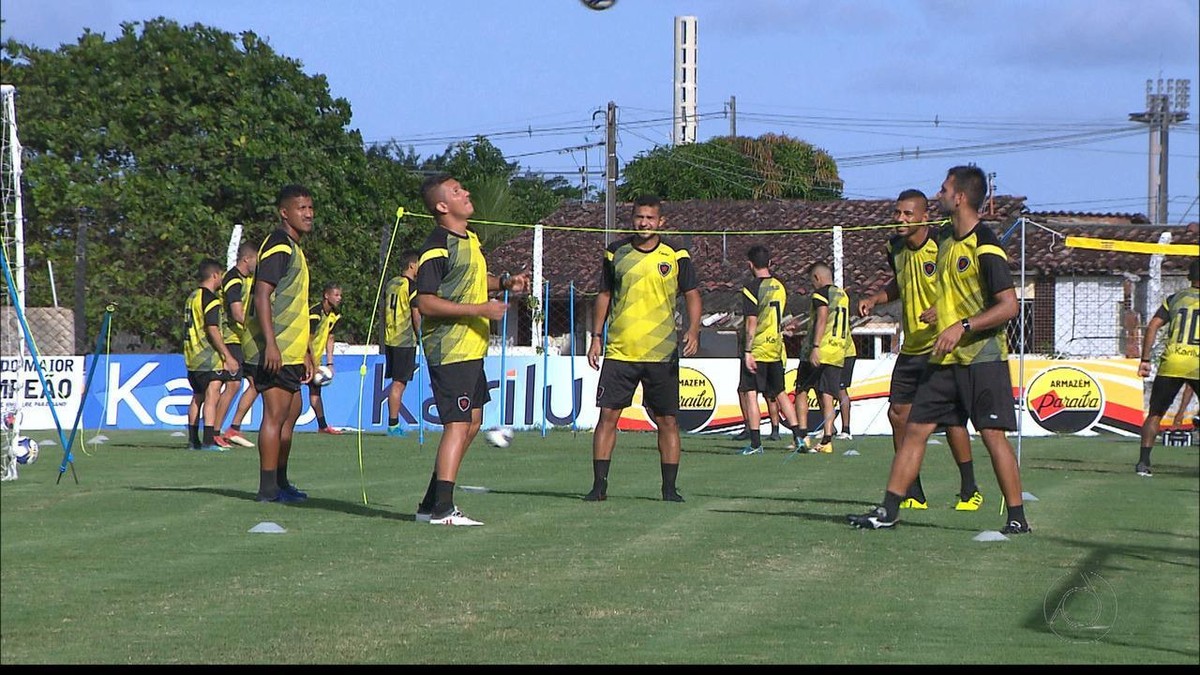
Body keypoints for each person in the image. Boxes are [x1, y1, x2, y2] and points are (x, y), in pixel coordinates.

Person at [849, 165, 1031, 534]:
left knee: (992, 436)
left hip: (982, 357)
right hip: (943, 358)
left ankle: (1017, 517)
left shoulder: (986, 244)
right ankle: (889, 510)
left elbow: (1009, 306)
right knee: (914, 428)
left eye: (945, 188)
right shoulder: (945, 240)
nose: (939, 193)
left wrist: (962, 325)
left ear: (960, 197)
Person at [413, 173, 530, 526]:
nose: (465, 192)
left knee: (473, 422)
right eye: (456, 191)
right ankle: (444, 511)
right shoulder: (436, 244)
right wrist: (480, 309)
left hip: (471, 347)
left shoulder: (470, 239)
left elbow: (474, 282)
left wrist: (505, 283)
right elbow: (426, 301)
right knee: (458, 424)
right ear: (442, 206)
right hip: (450, 349)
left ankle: (431, 503)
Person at [858, 189, 982, 511]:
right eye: (897, 213)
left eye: (908, 214)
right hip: (911, 347)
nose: (900, 219)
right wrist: (875, 299)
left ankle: (970, 489)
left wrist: (943, 309)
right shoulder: (895, 247)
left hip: (942, 344)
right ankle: (913, 492)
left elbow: (965, 285)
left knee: (952, 418)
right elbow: (899, 284)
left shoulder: (944, 243)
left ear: (924, 217)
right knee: (897, 414)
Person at [585, 193, 701, 502]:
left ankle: (669, 489)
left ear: (661, 221)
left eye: (650, 218)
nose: (644, 223)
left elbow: (691, 294)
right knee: (608, 417)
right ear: (632, 218)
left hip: (661, 353)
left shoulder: (676, 254)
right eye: (639, 217)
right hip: (621, 350)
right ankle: (599, 487)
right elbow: (604, 296)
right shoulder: (615, 253)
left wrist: (692, 329)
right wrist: (596, 336)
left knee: (667, 420)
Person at [243, 184, 316, 504]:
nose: (309, 213)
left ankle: (282, 482)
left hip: (291, 349)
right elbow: (262, 294)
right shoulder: (278, 244)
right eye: (301, 208)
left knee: (291, 413)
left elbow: (296, 305)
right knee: (275, 415)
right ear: (284, 213)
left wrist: (307, 350)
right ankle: (267, 489)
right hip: (274, 349)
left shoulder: (294, 248)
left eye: (311, 207)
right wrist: (270, 344)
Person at [1134, 258, 1199, 476]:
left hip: (1173, 361)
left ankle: (1143, 463)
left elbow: (1153, 325)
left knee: (1155, 414)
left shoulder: (1176, 298)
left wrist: (1145, 359)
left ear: (1189, 277)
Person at [736, 245, 803, 455]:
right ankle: (799, 437)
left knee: (750, 394)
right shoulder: (780, 286)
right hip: (776, 348)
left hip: (757, 349)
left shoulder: (751, 288)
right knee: (780, 393)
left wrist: (747, 351)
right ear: (770, 263)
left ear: (750, 265)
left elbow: (751, 322)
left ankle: (756, 443)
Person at [183, 258, 239, 451]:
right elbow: (213, 328)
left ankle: (193, 441)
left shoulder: (191, 297)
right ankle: (208, 441)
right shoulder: (211, 299)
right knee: (212, 395)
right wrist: (228, 356)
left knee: (197, 397)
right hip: (208, 356)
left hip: (191, 356)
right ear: (215, 275)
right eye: (221, 275)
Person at [794, 262, 850, 454]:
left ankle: (802, 436)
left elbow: (823, 317)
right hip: (837, 352)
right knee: (827, 395)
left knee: (801, 390)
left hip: (820, 349)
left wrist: (816, 347)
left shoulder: (820, 293)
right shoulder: (842, 295)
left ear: (817, 278)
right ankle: (827, 440)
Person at [212, 242, 258, 449]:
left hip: (245, 339)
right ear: (246, 259)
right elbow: (237, 314)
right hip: (231, 338)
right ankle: (214, 432)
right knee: (233, 385)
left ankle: (233, 429)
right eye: (257, 259)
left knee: (257, 383)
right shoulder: (232, 279)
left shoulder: (249, 280)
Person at [382, 250, 421, 436]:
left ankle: (393, 423)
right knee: (399, 384)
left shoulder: (391, 283)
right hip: (404, 340)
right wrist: (420, 333)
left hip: (390, 337)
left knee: (397, 383)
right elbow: (415, 312)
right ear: (412, 265)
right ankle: (393, 425)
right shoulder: (411, 286)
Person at [308, 282, 344, 435]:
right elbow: (306, 338)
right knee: (292, 392)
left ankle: (322, 426)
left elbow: (330, 338)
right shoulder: (315, 312)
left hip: (315, 358)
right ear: (326, 296)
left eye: (340, 295)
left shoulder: (335, 315)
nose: (339, 298)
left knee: (315, 392)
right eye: (336, 295)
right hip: (301, 355)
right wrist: (310, 362)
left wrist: (330, 363)